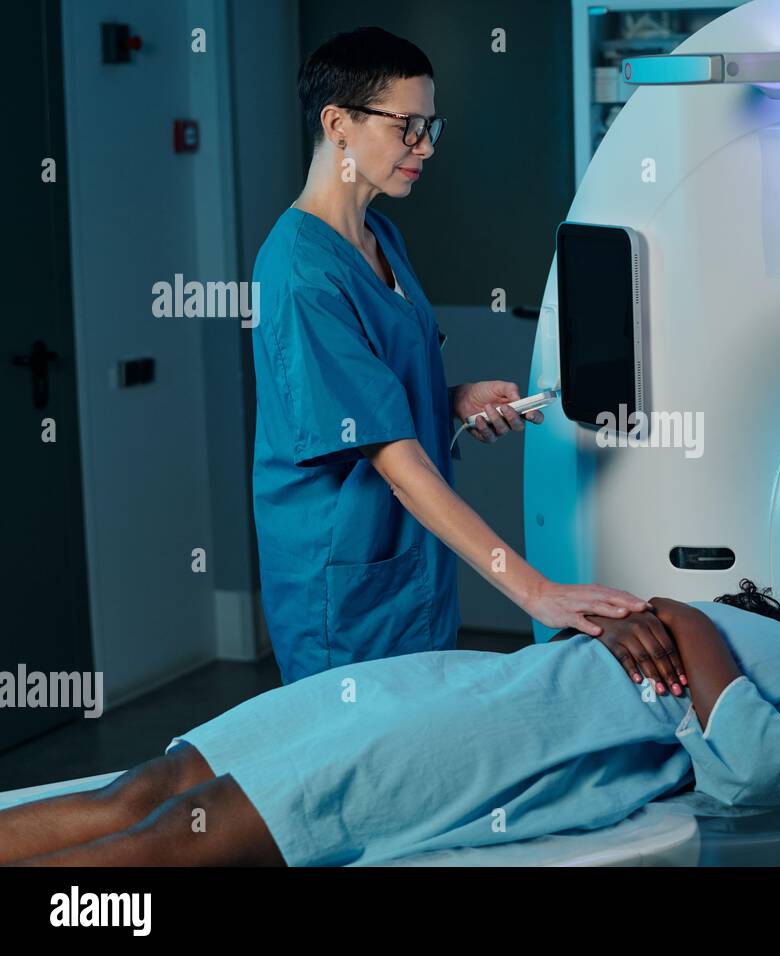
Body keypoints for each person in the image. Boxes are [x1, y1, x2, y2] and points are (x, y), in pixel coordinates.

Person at [0, 563, 780, 866]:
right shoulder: (768, 620)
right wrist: (655, 621)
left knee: (181, 838)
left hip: (505, 738)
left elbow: (761, 768)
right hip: (464, 680)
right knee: (147, 782)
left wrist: (676, 618)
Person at [251, 26, 648, 683]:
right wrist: (532, 590)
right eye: (407, 126)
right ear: (338, 123)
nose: (425, 147)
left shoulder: (380, 235)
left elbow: (366, 392)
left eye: (432, 126)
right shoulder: (300, 272)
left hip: (412, 564)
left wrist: (451, 400)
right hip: (347, 579)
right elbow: (393, 459)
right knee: (367, 766)